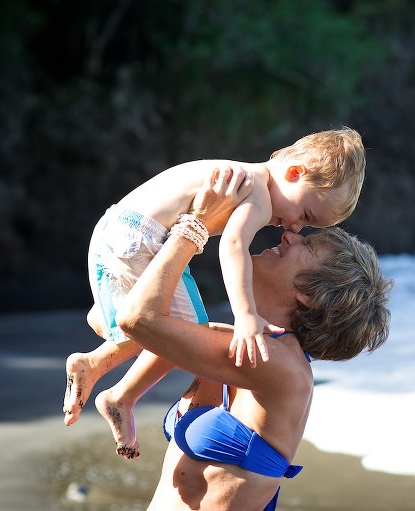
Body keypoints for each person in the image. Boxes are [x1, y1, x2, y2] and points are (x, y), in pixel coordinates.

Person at [63, 128, 367, 459]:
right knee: (178, 327)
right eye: (305, 216)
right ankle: (120, 394)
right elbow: (233, 246)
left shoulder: (244, 175)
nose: (294, 228)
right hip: (142, 237)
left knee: (167, 326)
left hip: (119, 226)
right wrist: (246, 314)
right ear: (294, 174)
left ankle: (103, 335)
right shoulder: (258, 195)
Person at [113, 168, 391, 510]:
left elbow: (136, 318)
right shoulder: (244, 343)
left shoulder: (281, 367)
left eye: (308, 246)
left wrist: (196, 224)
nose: (291, 235)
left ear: (311, 295)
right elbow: (126, 323)